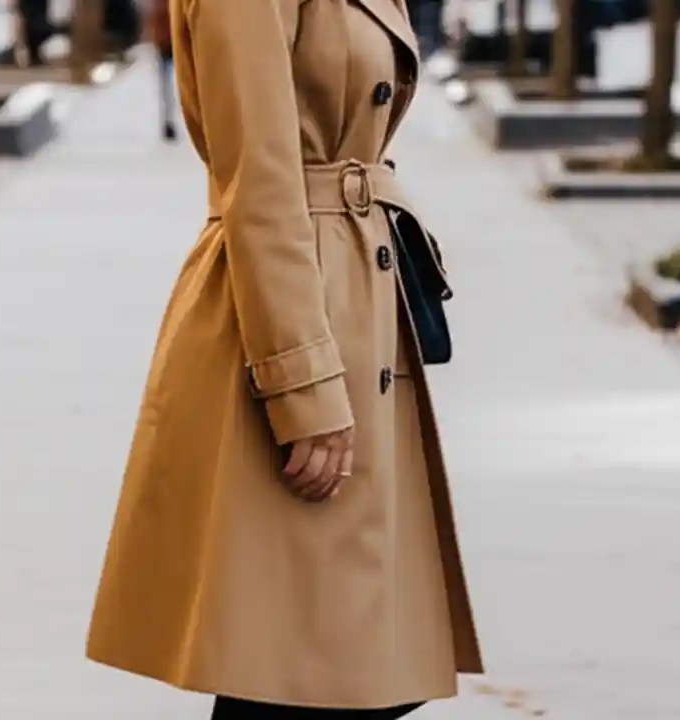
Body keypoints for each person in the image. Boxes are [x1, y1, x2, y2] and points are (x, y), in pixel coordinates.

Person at [85, 0, 483, 716]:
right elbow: (260, 184)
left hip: (352, 300)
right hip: (293, 314)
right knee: (305, 676)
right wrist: (301, 381)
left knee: (343, 675)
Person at [147, 0, 177, 141]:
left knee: (168, 88)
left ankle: (169, 121)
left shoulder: (159, 5)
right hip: (168, 46)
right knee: (168, 88)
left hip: (170, 46)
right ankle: (169, 121)